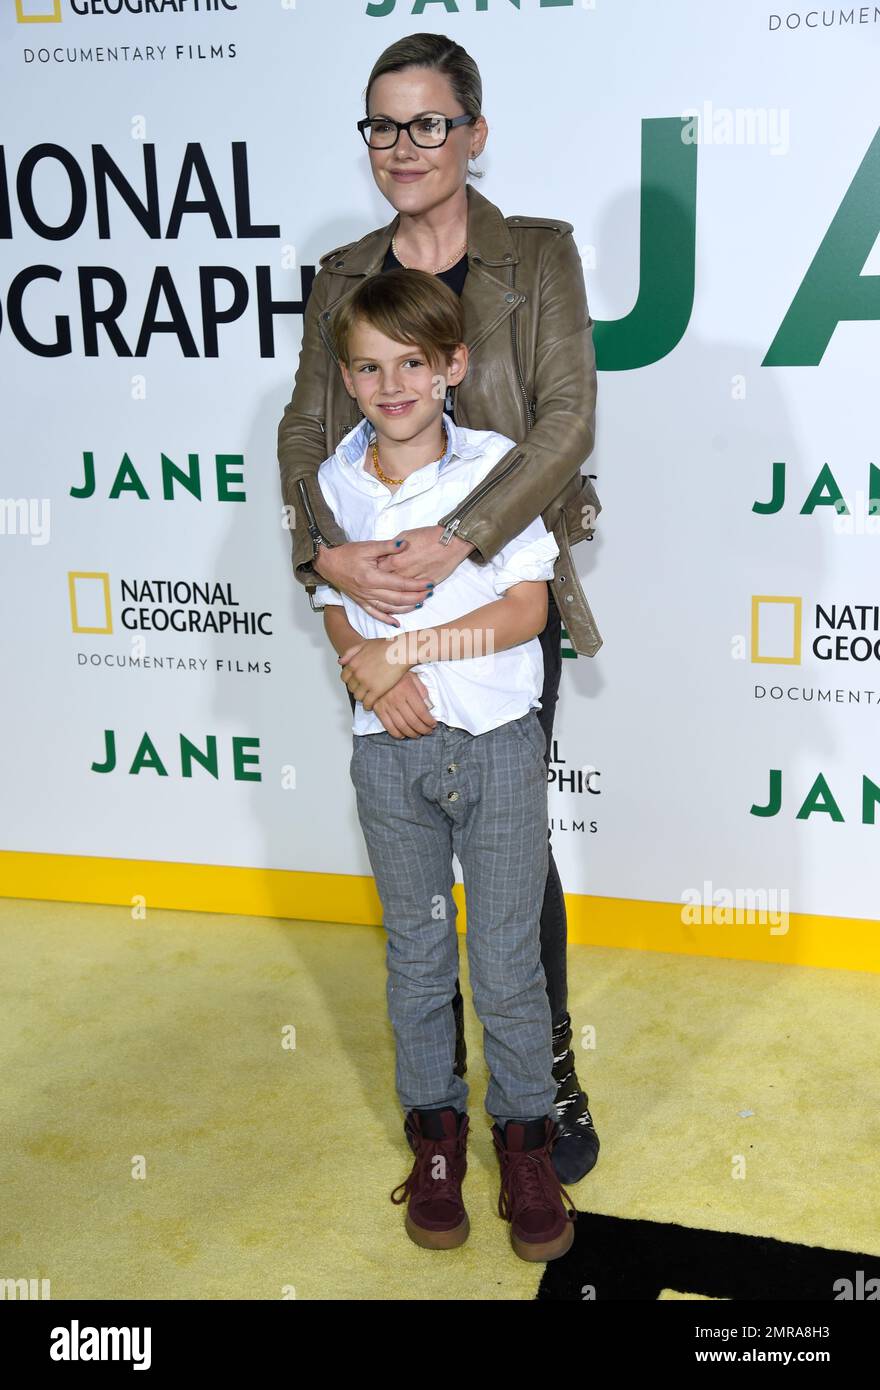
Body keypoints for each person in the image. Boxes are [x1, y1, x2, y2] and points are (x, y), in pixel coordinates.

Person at [277, 32, 601, 1185]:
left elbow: (565, 424)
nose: (401, 147)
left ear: (472, 132)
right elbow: (306, 436)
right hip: (372, 601)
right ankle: (443, 1127)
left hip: (499, 594)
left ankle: (542, 1074)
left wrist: (455, 536)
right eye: (380, 125)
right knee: (418, 916)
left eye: (425, 123)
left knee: (517, 874)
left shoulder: (539, 256)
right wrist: (329, 559)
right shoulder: (339, 272)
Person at [315, 265, 577, 1261]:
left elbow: (523, 613)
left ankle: (524, 1148)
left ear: (453, 366)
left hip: (498, 746)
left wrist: (407, 651)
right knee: (417, 957)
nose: (392, 386)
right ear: (346, 379)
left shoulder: (497, 465)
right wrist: (364, 669)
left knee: (506, 963)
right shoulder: (333, 485)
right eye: (370, 368)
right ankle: (435, 1142)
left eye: (412, 363)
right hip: (390, 756)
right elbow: (332, 605)